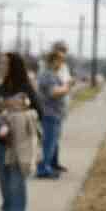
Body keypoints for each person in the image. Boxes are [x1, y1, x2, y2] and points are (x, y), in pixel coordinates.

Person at [0, 52, 43, 211]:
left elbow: (39, 112)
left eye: (4, 63)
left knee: (16, 178)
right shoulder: (2, 86)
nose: (0, 66)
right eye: (0, 63)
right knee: (3, 178)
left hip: (19, 141)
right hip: (1, 139)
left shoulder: (25, 87)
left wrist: (19, 111)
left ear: (13, 66)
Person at [36, 49, 73, 178]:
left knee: (52, 142)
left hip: (55, 113)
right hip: (50, 113)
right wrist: (67, 87)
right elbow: (53, 92)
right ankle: (43, 169)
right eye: (61, 60)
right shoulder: (48, 74)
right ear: (54, 60)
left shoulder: (52, 74)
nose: (62, 63)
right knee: (48, 143)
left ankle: (49, 166)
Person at [48, 41, 74, 173]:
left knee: (56, 137)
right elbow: (54, 89)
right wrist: (67, 86)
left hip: (60, 107)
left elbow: (67, 81)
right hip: (51, 109)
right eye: (61, 51)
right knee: (50, 138)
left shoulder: (64, 66)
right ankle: (48, 165)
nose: (63, 54)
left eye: (64, 51)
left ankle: (54, 163)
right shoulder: (49, 69)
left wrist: (68, 84)